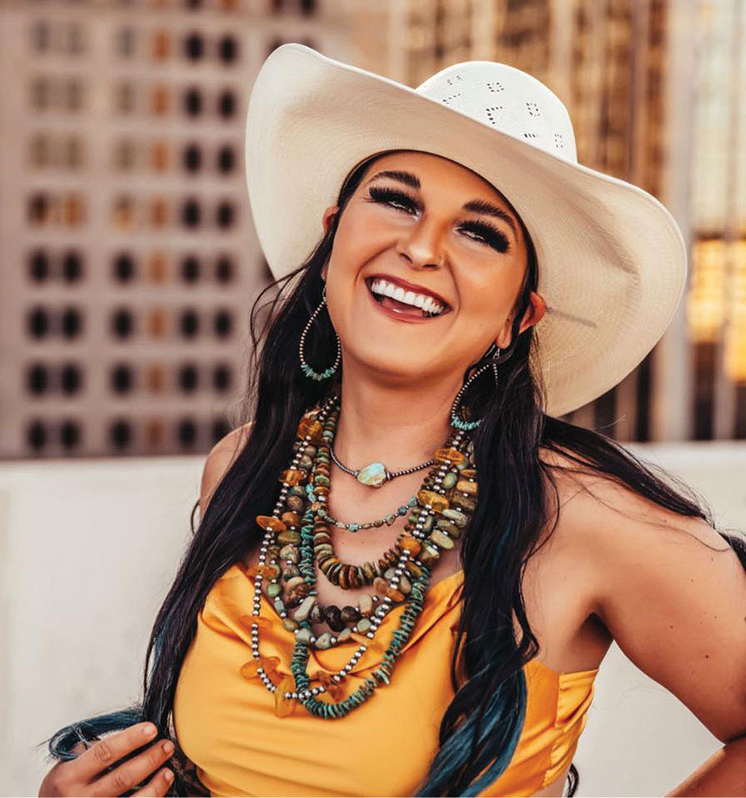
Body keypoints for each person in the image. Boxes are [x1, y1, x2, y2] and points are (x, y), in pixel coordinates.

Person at [38, 44, 746, 798]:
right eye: (398, 201)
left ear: (517, 317)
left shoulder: (584, 517)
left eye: (480, 233)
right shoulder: (243, 467)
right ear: (333, 239)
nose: (420, 247)